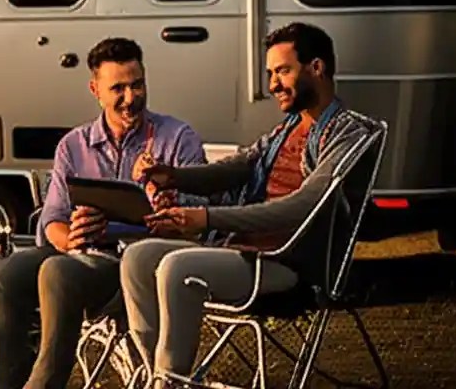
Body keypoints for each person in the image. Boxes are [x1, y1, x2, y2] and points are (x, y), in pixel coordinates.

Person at [122, 22, 378, 387]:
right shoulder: (287, 128)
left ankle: (169, 383)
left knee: (177, 267)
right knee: (137, 257)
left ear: (317, 68)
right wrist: (173, 176)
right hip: (244, 253)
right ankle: (158, 376)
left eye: (282, 71)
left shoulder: (346, 133)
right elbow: (239, 166)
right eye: (270, 73)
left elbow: (304, 206)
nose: (272, 84)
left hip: (287, 264)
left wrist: (206, 218)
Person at [0, 37, 208, 389]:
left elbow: (197, 218)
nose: (130, 97)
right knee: (2, 273)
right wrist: (71, 237)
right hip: (81, 252)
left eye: (137, 85)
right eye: (118, 88)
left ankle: (44, 384)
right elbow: (52, 219)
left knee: (58, 272)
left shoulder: (177, 138)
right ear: (95, 90)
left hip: (137, 262)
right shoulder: (74, 145)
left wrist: (162, 200)